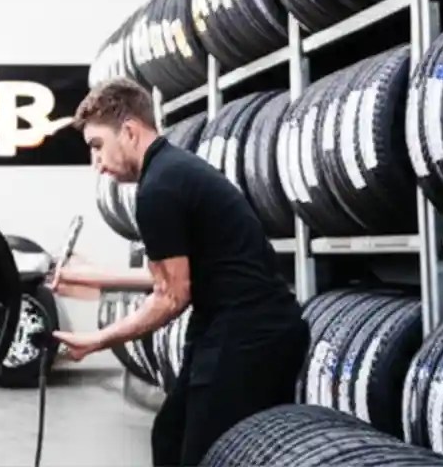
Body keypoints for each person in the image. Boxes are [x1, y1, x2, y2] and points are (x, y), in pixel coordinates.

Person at [53, 77, 309, 466]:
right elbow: (177, 278)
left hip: (250, 336)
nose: (97, 165)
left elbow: (172, 297)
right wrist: (92, 278)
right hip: (230, 326)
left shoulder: (158, 190)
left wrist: (97, 340)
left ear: (129, 131)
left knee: (206, 456)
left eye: (97, 147)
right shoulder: (170, 171)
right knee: (170, 436)